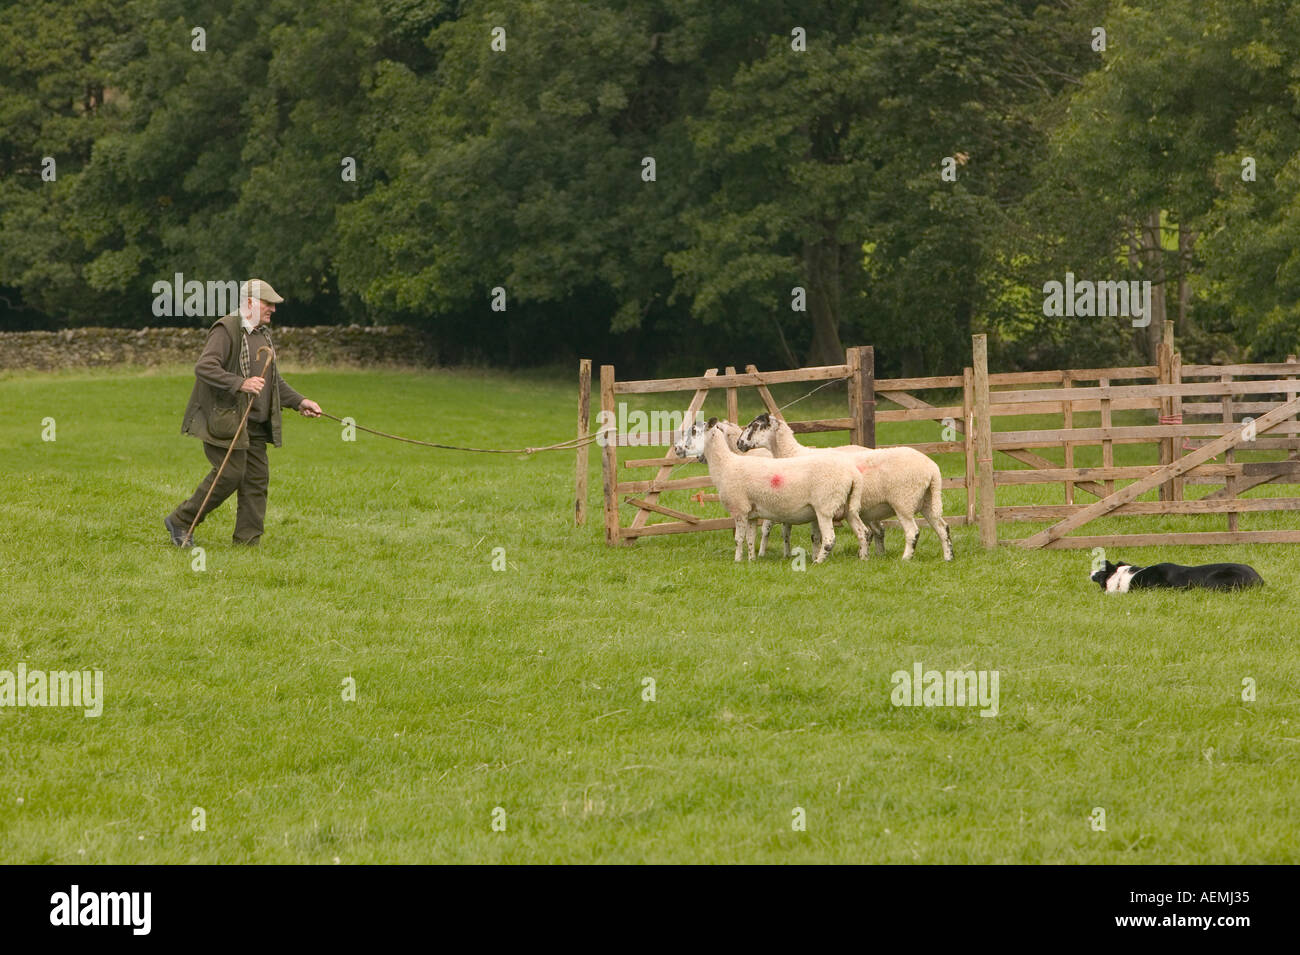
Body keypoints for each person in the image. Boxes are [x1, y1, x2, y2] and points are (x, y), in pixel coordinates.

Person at [164, 279, 322, 546]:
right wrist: (240, 383)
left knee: (256, 481)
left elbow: (272, 382)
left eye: (273, 304)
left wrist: (300, 401)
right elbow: (205, 367)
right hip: (227, 421)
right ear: (249, 302)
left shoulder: (262, 334)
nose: (272, 308)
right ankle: (181, 520)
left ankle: (248, 543)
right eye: (267, 303)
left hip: (256, 426)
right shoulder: (226, 330)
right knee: (230, 474)